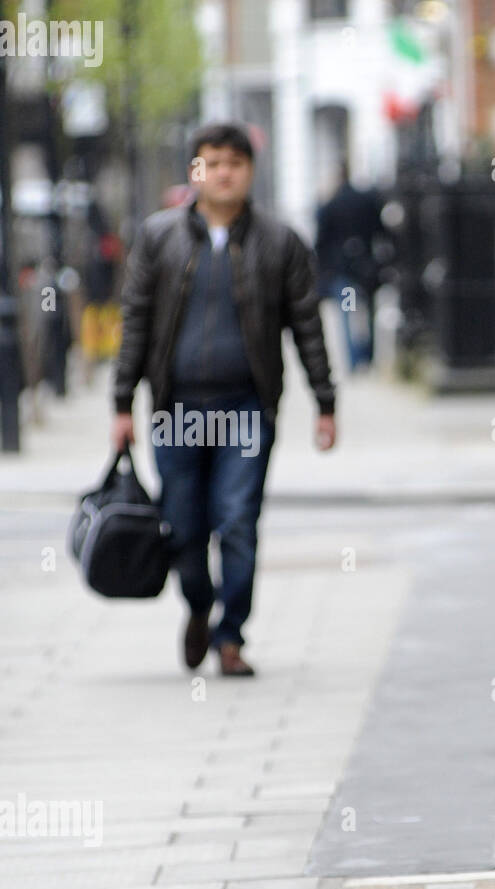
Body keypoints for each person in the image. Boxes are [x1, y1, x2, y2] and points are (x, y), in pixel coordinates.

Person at [110, 121, 337, 676]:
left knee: (236, 519)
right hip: (178, 409)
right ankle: (198, 605)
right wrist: (121, 404)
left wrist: (325, 401)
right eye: (212, 163)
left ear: (249, 171)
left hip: (246, 408)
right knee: (184, 525)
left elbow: (307, 324)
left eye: (234, 162)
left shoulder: (280, 242)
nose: (224, 172)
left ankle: (231, 636)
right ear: (195, 172)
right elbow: (135, 321)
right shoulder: (160, 237)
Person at [314, 162, 385, 372]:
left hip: (343, 270)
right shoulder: (365, 200)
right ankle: (368, 355)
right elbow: (380, 230)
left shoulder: (331, 205)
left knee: (348, 313)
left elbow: (321, 242)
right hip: (367, 268)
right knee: (368, 312)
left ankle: (354, 360)